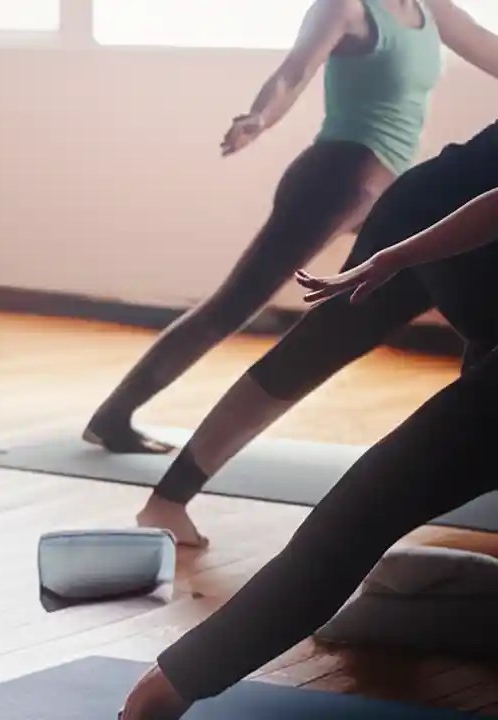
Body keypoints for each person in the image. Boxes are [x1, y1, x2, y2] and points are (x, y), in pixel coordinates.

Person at [117, 129, 498, 719]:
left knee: (379, 496)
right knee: (366, 489)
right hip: (431, 216)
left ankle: (174, 681)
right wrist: (392, 256)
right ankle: (171, 674)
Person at [86, 0, 498, 455]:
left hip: (388, 188)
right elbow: (293, 72)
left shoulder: (431, 9)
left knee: (454, 273)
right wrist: (258, 117)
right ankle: (113, 417)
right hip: (339, 178)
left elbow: (485, 46)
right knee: (235, 303)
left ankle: (476, 432)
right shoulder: (346, 7)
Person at [137, 119, 498, 547]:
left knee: (319, 348)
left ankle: (168, 500)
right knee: (323, 349)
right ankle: (170, 501)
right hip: (448, 210)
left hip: (433, 200)